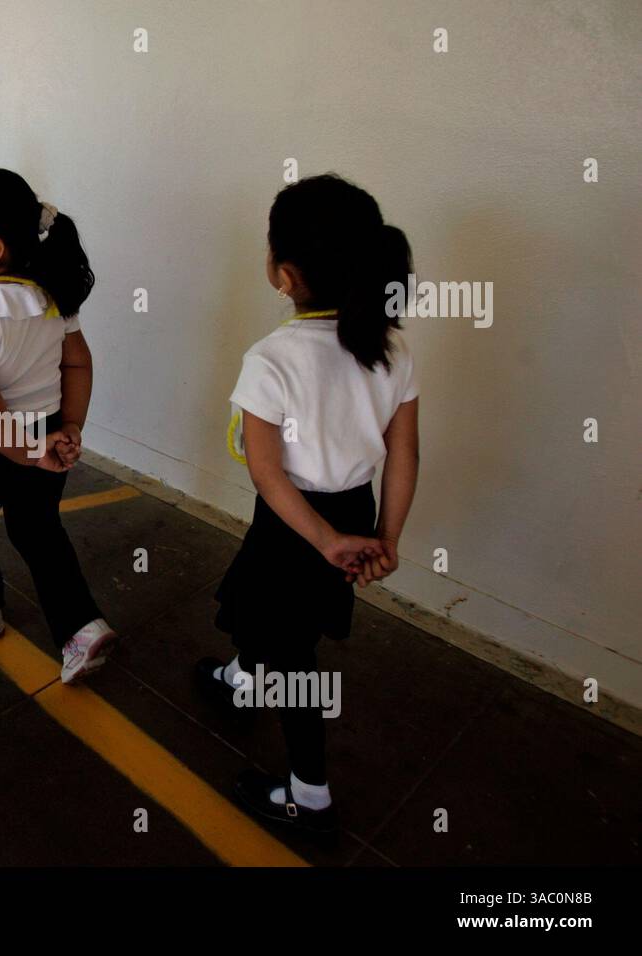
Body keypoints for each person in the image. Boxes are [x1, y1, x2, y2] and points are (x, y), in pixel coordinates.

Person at [195, 173, 420, 834]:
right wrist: (386, 536)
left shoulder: (271, 359)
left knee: (292, 660)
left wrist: (321, 541)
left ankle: (310, 796)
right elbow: (405, 454)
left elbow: (268, 475)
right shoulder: (393, 348)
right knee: (267, 618)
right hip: (352, 513)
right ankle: (240, 680)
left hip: (295, 525)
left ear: (284, 274)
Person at [0, 167, 115, 685]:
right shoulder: (51, 297)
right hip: (48, 434)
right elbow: (77, 364)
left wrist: (33, 451)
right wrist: (70, 426)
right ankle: (80, 627)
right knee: (38, 529)